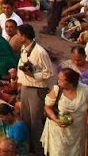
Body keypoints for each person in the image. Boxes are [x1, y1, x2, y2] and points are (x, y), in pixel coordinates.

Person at [39, 67, 88, 156]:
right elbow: (47, 107)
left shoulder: (84, 90)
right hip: (58, 134)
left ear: (70, 83)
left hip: (76, 134)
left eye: (61, 80)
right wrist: (55, 119)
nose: (58, 82)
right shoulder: (57, 90)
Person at [14, 24, 54, 156]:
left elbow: (49, 72)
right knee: (25, 119)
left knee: (36, 122)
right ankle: (28, 147)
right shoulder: (23, 48)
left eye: (18, 34)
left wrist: (34, 75)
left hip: (37, 90)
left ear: (24, 36)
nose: (16, 36)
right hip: (26, 87)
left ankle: (39, 150)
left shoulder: (40, 52)